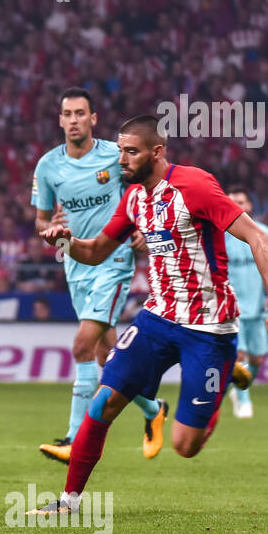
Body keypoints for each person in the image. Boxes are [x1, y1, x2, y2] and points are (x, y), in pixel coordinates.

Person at [30, 115, 268, 517]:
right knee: (103, 403)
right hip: (157, 318)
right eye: (119, 150)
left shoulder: (196, 186)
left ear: (156, 152)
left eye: (130, 152)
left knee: (184, 447)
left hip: (208, 328)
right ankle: (68, 503)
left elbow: (256, 236)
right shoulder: (134, 198)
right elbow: (96, 251)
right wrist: (65, 241)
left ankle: (223, 383)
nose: (121, 159)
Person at [32, 88, 166, 462]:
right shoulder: (47, 167)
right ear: (60, 120)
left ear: (93, 119)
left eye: (80, 113)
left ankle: (74, 440)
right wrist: (49, 226)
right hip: (75, 266)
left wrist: (142, 228)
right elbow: (41, 219)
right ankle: (155, 411)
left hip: (113, 263)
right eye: (67, 113)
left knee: (82, 346)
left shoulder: (115, 155)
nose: (73, 119)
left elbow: (147, 189)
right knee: (109, 360)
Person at [224, 189, 268, 417]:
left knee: (257, 358)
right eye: (233, 202)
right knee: (239, 355)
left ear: (249, 204)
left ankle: (238, 390)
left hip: (257, 306)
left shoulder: (263, 232)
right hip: (233, 306)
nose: (237, 205)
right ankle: (244, 400)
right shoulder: (222, 233)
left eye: (241, 201)